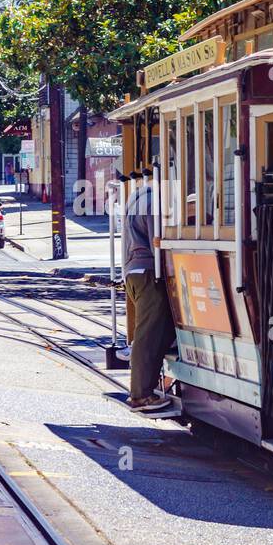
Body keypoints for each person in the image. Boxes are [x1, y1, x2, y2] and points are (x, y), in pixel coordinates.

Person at [122, 173, 177, 415]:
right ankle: (140, 395)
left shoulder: (136, 196)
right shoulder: (155, 201)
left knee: (159, 330)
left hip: (133, 272)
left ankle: (150, 386)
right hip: (148, 273)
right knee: (149, 334)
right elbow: (159, 242)